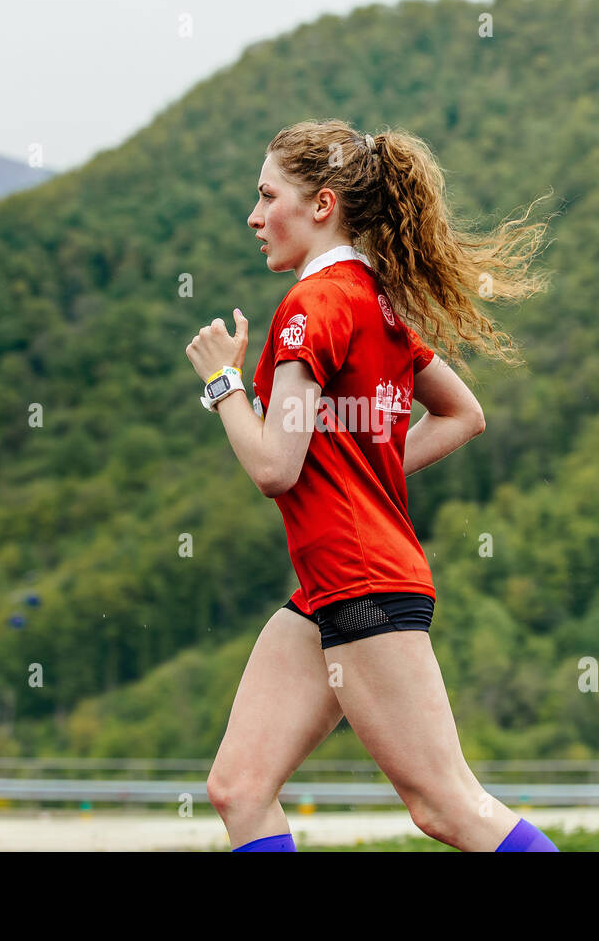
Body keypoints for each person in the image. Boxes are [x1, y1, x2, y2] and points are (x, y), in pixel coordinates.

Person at [185, 119, 556, 851]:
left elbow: (273, 468)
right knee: (239, 788)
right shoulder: (374, 302)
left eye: (267, 196)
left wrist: (224, 382)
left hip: (362, 584)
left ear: (321, 204)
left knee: (447, 807)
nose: (254, 217)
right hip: (332, 587)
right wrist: (366, 465)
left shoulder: (310, 309)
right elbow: (463, 415)